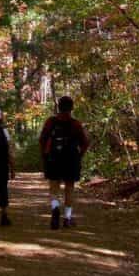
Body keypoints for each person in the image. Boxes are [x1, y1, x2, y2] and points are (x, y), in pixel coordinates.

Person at [39, 95, 89, 229]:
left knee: (54, 187)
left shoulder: (50, 121)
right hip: (71, 158)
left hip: (53, 158)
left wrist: (44, 155)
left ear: (58, 107)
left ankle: (55, 208)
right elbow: (85, 142)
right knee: (69, 188)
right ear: (72, 108)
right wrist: (79, 156)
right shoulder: (76, 124)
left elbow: (42, 139)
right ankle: (67, 218)